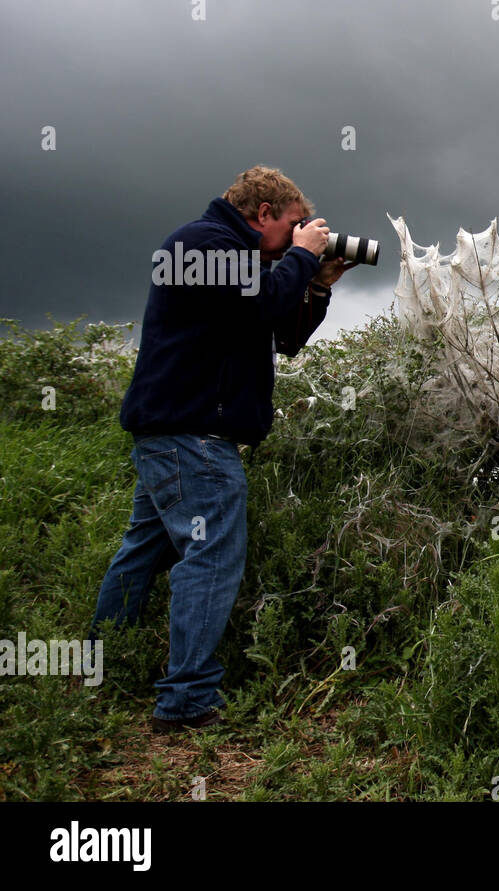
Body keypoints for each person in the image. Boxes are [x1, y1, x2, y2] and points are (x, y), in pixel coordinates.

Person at [91, 165, 356, 733]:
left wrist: (315, 282)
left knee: (145, 548)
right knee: (210, 554)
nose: (298, 235)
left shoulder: (243, 263)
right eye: (294, 225)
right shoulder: (199, 244)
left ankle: (101, 668)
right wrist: (302, 258)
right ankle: (185, 701)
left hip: (178, 432)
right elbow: (258, 305)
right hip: (193, 435)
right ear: (264, 215)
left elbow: (284, 336)